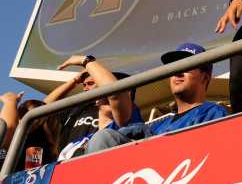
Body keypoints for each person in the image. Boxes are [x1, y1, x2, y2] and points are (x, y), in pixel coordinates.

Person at [85, 43, 227, 152]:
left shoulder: (214, 113)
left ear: (205, 77)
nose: (177, 73)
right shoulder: (159, 124)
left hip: (180, 176)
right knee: (104, 138)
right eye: (174, 68)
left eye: (187, 67)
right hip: (148, 177)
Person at [48, 55, 141, 160]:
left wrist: (85, 61)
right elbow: (42, 109)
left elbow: (116, 94)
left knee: (102, 137)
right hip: (63, 169)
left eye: (92, 83)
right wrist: (74, 81)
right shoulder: (78, 110)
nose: (85, 89)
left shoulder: (129, 117)